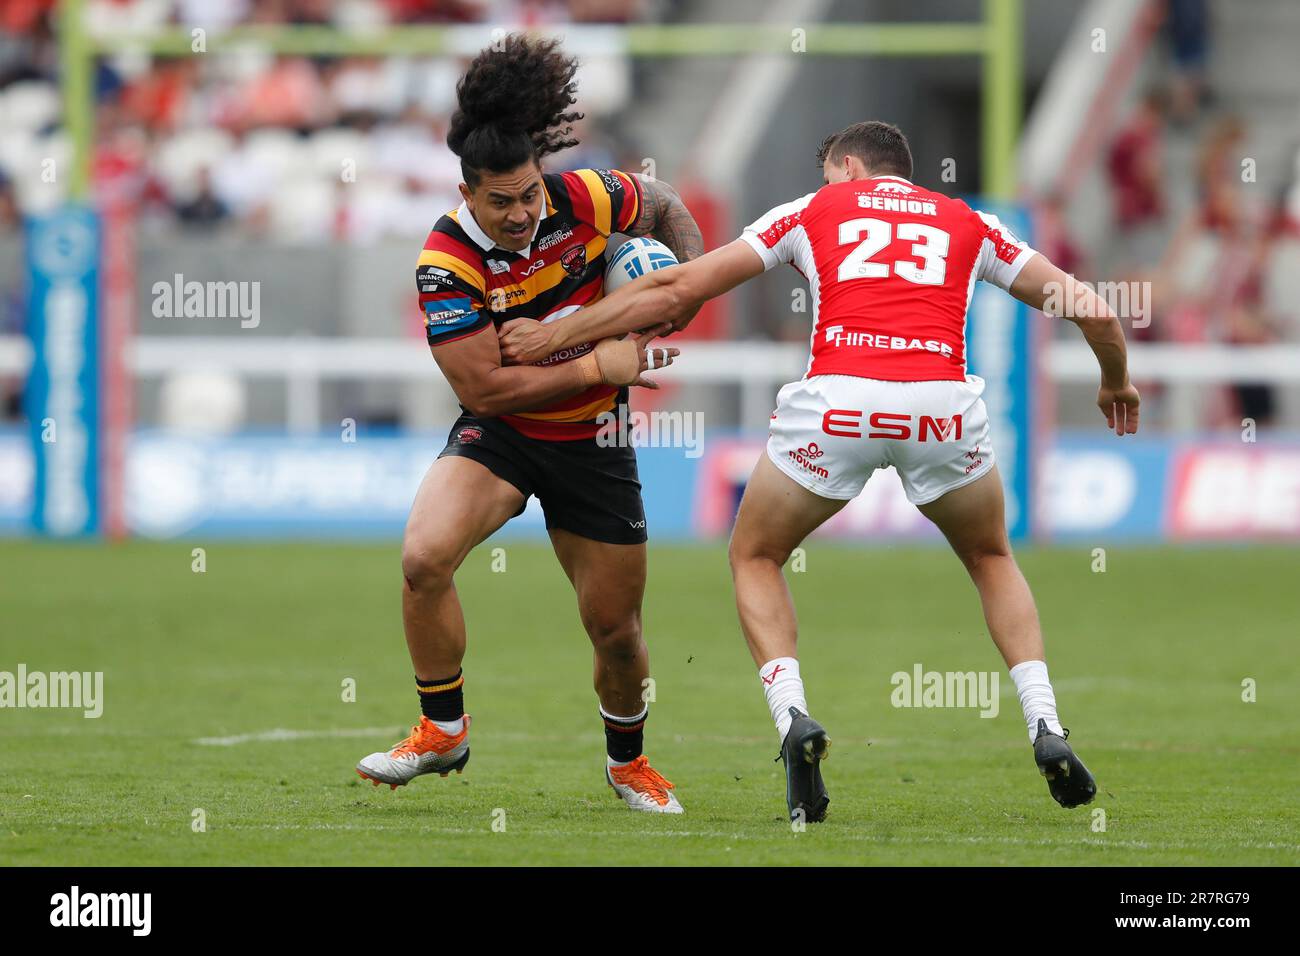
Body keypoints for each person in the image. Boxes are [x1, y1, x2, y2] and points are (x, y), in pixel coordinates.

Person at [501, 120, 1140, 821]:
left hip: (838, 404)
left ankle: (794, 720)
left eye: (830, 175)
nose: (825, 187)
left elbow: (680, 288)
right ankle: (1046, 726)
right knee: (990, 556)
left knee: (756, 553)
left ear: (851, 165)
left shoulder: (810, 211)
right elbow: (1096, 314)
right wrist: (1115, 382)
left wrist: (557, 333)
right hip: (940, 407)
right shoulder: (972, 224)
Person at [355, 35, 704, 814]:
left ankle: (628, 764)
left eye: (529, 196)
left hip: (594, 443)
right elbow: (484, 389)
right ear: (466, 193)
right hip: (507, 434)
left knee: (616, 631)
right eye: (500, 202)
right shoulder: (446, 260)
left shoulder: (584, 196)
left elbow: (668, 205)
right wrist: (590, 364)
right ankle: (443, 729)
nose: (520, 215)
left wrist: (681, 299)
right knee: (423, 558)